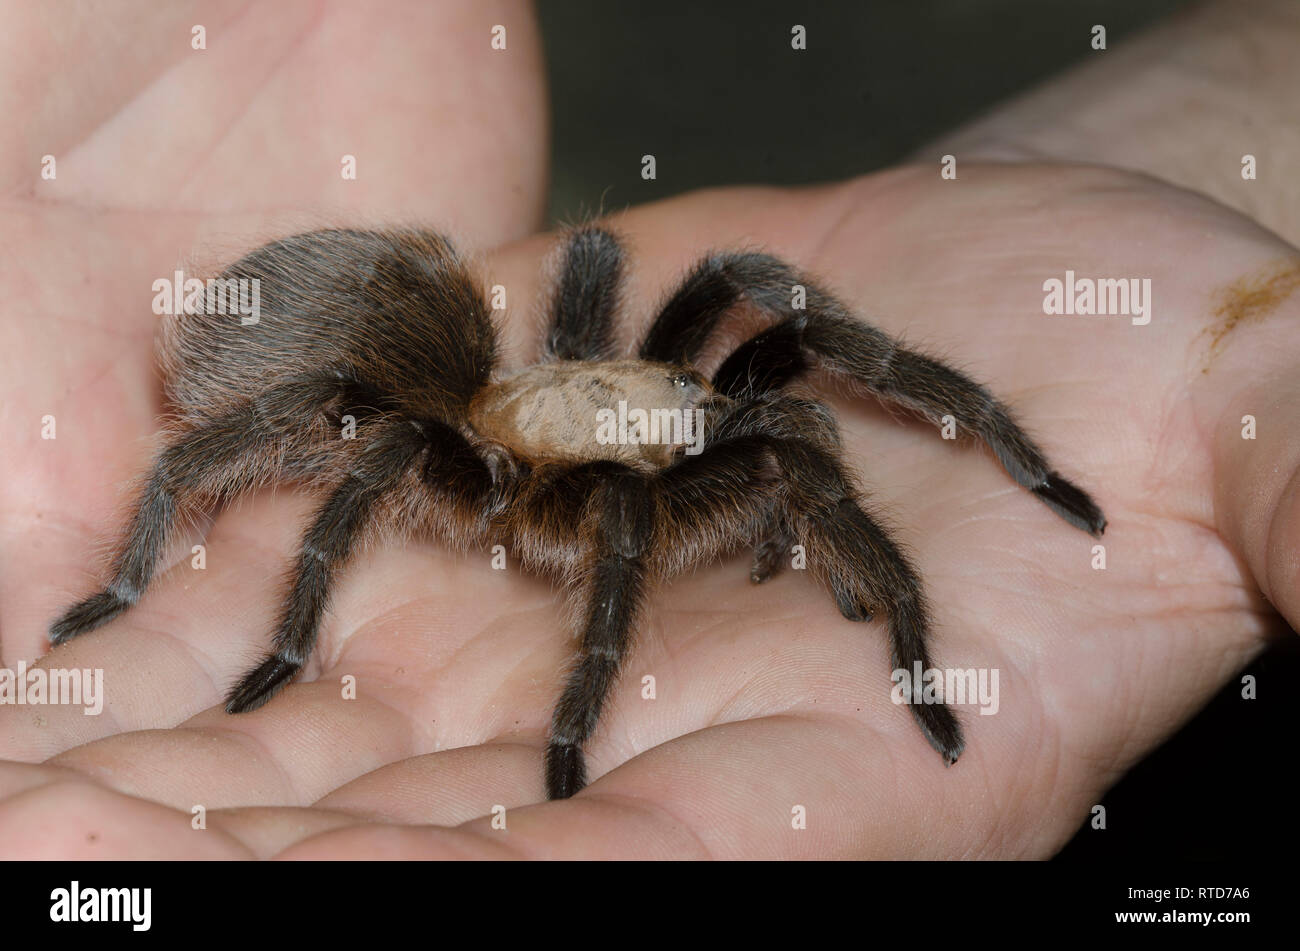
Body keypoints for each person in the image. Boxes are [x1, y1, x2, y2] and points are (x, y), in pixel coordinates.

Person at [1, 0, 1296, 858]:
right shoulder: (522, 465)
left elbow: (761, 340)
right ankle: (278, 637)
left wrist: (1005, 450)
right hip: (435, 398)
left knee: (756, 318)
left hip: (447, 357)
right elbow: (615, 494)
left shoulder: (685, 400)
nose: (746, 424)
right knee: (574, 479)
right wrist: (562, 723)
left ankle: (929, 605)